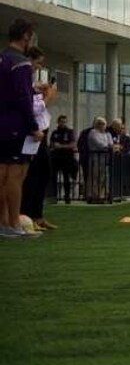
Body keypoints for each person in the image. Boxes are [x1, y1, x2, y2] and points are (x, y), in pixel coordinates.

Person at [0, 19, 41, 238]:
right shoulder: (21, 63)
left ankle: (3, 221)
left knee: (2, 173)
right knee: (15, 175)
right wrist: (33, 127)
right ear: (25, 36)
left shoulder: (2, 58)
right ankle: (14, 223)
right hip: (15, 125)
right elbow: (23, 98)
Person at [20, 48, 55, 231]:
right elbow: (32, 109)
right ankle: (26, 215)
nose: (38, 67)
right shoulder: (20, 77)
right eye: (38, 63)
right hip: (30, 135)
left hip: (41, 132)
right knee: (31, 177)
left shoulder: (29, 81)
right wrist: (48, 97)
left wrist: (38, 91)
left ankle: (38, 215)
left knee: (44, 172)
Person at [50, 115, 77, 204]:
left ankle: (67, 196)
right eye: (61, 122)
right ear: (58, 122)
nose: (63, 123)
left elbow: (73, 144)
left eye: (64, 122)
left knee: (66, 178)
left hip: (67, 158)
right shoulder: (55, 133)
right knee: (53, 177)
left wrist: (61, 146)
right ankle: (53, 196)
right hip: (56, 158)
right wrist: (56, 146)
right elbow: (52, 144)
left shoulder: (69, 132)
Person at [86, 117, 114, 203]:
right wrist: (108, 147)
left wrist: (111, 147)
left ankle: (102, 195)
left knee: (103, 178)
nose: (102, 126)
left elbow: (111, 144)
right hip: (95, 158)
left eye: (103, 124)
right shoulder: (93, 133)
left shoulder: (107, 134)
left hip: (105, 159)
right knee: (94, 177)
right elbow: (99, 144)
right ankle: (93, 195)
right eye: (100, 124)